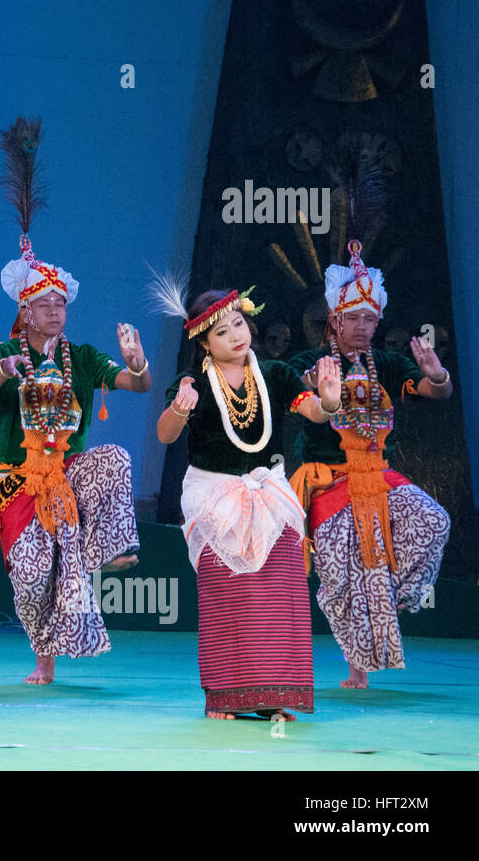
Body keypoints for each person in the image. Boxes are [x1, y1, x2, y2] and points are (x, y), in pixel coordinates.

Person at [154, 279, 340, 720]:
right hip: (214, 495)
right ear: (204, 343)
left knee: (281, 588)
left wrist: (329, 402)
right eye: (222, 332)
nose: (236, 335)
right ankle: (227, 697)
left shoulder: (274, 373)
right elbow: (165, 434)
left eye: (239, 324)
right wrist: (181, 407)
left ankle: (277, 695)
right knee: (229, 595)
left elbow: (309, 408)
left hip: (268, 490)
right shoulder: (193, 382)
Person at [0, 246, 149, 685]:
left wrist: (137, 363)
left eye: (60, 303)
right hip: (16, 483)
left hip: (65, 478)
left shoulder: (80, 357)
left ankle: (99, 550)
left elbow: (136, 384)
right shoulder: (3, 353)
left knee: (115, 459)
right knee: (30, 580)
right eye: (44, 304)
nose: (54, 311)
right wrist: (4, 372)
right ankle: (43, 657)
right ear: (25, 311)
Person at [288, 240, 452, 689]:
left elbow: (434, 390)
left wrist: (437, 375)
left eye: (370, 319)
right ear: (335, 320)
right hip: (329, 481)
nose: (363, 327)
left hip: (379, 474)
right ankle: (356, 667)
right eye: (354, 318)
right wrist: (319, 393)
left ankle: (396, 599)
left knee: (433, 521)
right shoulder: (310, 362)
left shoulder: (388, 363)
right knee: (349, 571)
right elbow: (298, 394)